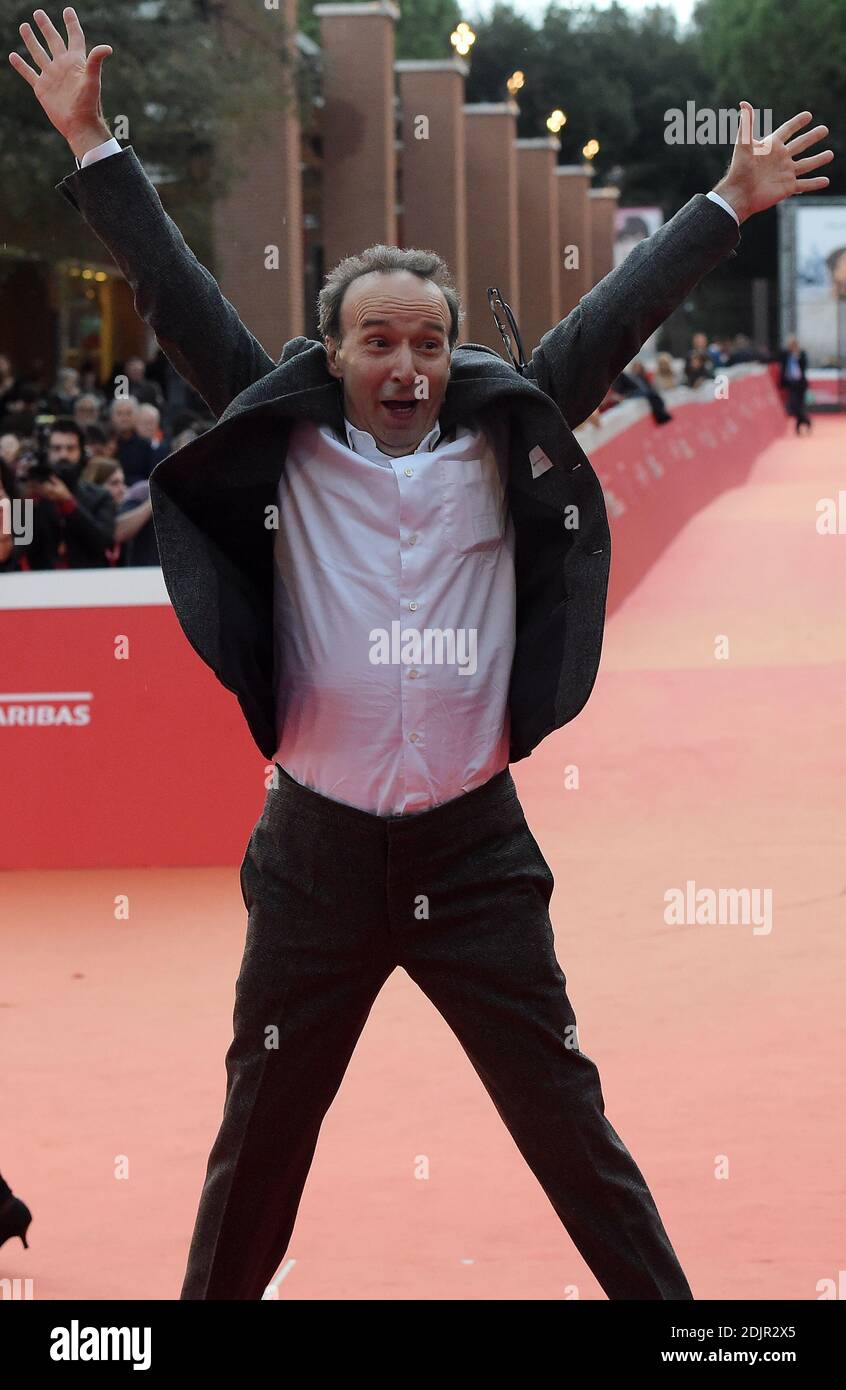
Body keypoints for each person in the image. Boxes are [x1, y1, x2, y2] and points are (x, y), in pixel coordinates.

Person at [11, 9, 834, 1301]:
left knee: (568, 1125)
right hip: (316, 860)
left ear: (455, 355)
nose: (406, 364)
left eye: (429, 342)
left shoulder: (497, 437)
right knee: (260, 1143)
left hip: (473, 852)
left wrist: (724, 200)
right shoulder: (285, 442)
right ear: (330, 353)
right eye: (377, 341)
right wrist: (91, 140)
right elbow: (177, 294)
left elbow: (608, 322)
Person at [19, 417, 116, 569]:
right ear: (47, 453)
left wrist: (67, 501)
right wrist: (24, 502)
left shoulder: (101, 497)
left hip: (89, 584)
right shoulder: (31, 497)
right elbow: (19, 546)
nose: (63, 455)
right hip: (38, 585)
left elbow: (103, 543)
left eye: (70, 448)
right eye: (56, 448)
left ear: (82, 453)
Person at [778, 334, 812, 433]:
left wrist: (797, 357)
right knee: (794, 405)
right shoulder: (785, 355)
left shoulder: (802, 354)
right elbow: (776, 359)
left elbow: (804, 366)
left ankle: (800, 424)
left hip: (800, 384)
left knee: (799, 405)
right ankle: (806, 420)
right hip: (791, 383)